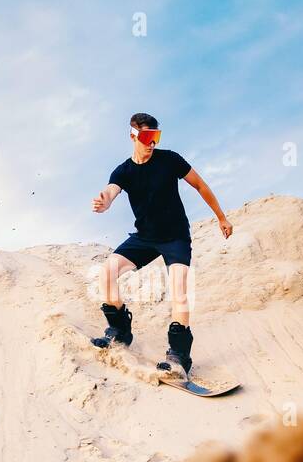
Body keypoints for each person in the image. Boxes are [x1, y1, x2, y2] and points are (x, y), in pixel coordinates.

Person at [90, 112, 232, 375]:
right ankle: (120, 331)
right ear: (133, 136)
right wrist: (105, 201)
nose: (152, 142)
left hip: (175, 236)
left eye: (156, 136)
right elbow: (111, 191)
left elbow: (200, 185)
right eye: (146, 137)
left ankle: (179, 356)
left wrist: (221, 217)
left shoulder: (169, 160)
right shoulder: (124, 171)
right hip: (144, 238)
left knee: (179, 289)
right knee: (107, 272)